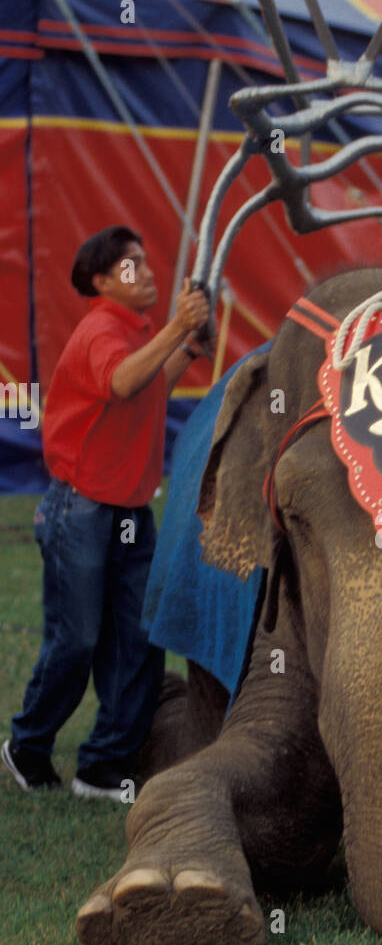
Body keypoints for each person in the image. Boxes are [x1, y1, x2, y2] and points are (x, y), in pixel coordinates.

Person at [2, 226, 210, 798]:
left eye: (146, 263)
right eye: (130, 266)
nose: (145, 273)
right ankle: (27, 746)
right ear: (101, 281)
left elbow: (144, 391)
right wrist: (176, 328)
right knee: (78, 640)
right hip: (83, 511)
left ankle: (102, 766)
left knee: (139, 642)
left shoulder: (133, 333)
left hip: (128, 513)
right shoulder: (101, 330)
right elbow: (121, 382)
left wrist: (187, 348)